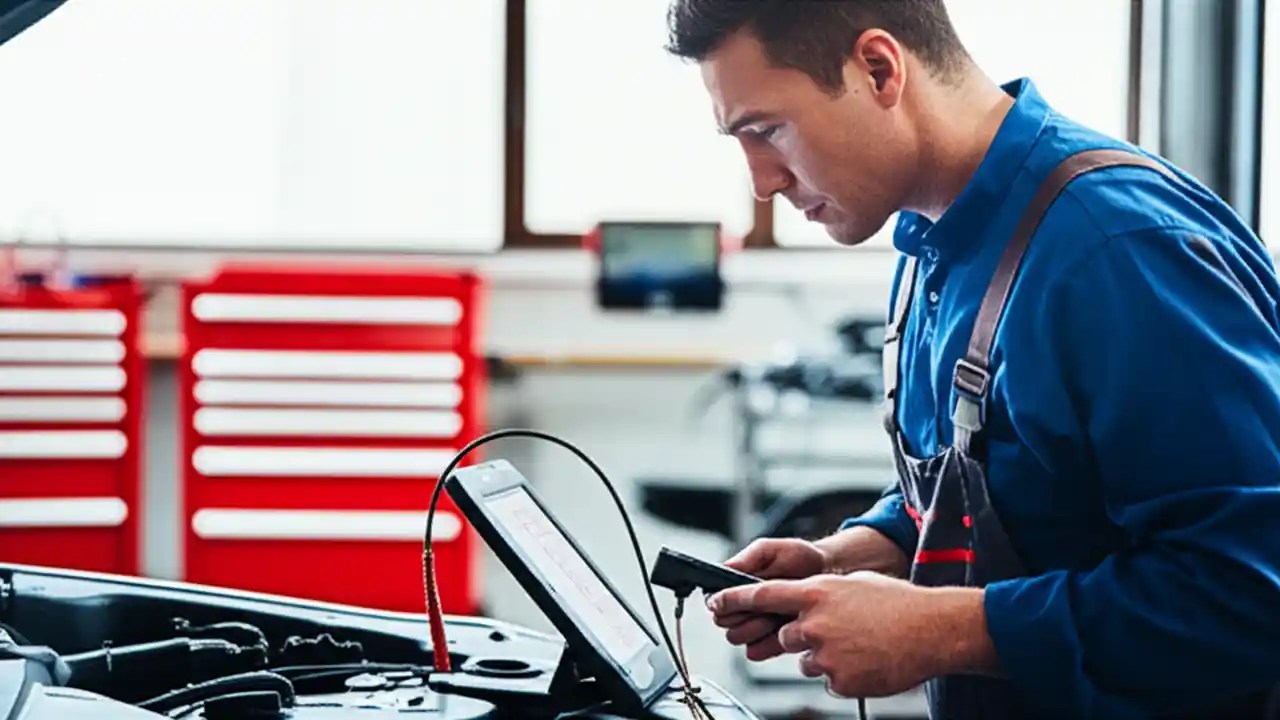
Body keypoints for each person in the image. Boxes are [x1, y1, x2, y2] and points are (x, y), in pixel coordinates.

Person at [664, 1, 1280, 718]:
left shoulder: (1115, 251)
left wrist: (949, 630)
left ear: (878, 68)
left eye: (767, 129)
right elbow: (1024, 495)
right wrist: (862, 551)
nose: (762, 182)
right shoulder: (931, 239)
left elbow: (1252, 588)